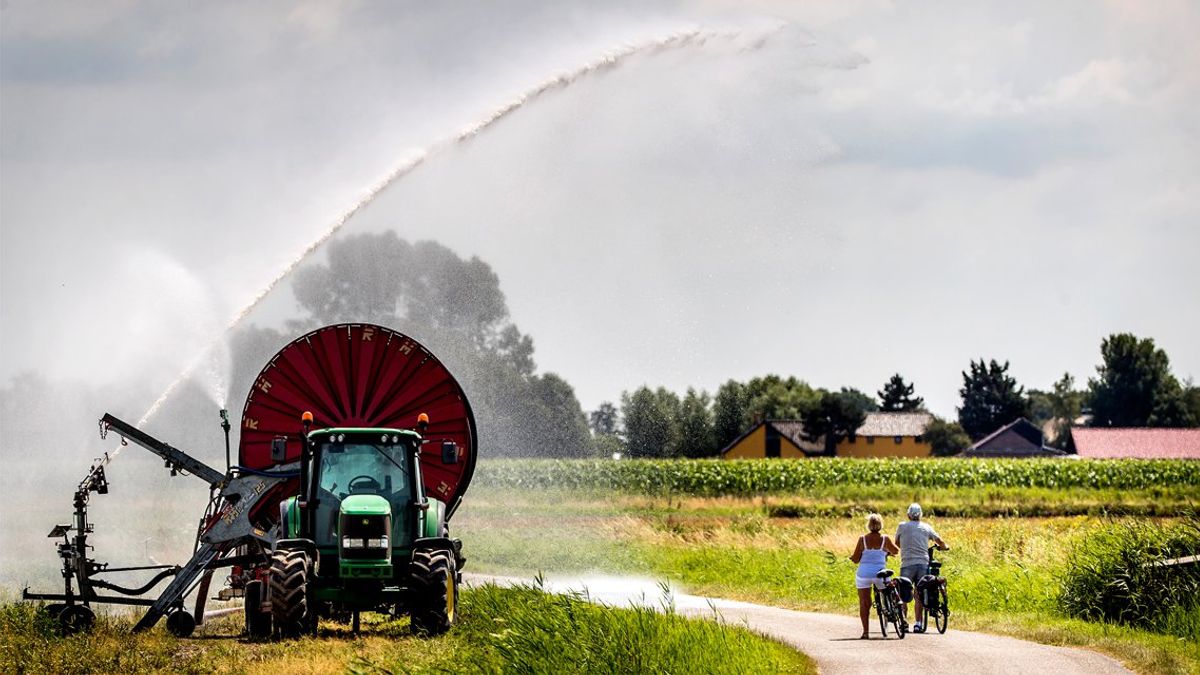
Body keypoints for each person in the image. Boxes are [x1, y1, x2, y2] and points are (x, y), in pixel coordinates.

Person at [895, 503, 948, 633]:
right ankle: (918, 624)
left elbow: (896, 543)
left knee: (904, 593)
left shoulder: (902, 526)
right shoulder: (926, 527)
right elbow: (939, 540)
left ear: (908, 515)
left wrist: (906, 548)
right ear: (921, 515)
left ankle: (904, 622)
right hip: (923, 563)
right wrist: (944, 546)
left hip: (906, 563)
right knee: (919, 592)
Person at [849, 512, 900, 639]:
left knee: (864, 603)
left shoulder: (862, 539)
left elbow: (856, 559)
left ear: (868, 525)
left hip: (864, 575)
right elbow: (896, 551)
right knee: (887, 588)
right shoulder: (885, 539)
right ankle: (891, 607)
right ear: (881, 525)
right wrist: (887, 552)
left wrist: (852, 557)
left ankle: (866, 632)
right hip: (880, 574)